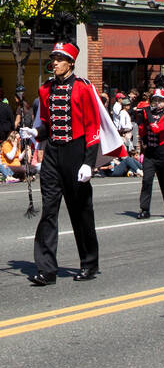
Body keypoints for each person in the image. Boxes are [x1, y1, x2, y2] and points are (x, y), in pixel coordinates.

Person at [30, 42, 103, 286]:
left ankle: (89, 263)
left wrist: (88, 163)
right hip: (52, 154)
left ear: (71, 62)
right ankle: (47, 269)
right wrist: (36, 133)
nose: (55, 63)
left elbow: (93, 126)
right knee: (49, 212)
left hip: (76, 152)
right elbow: (48, 125)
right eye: (54, 58)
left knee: (80, 211)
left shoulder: (83, 88)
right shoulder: (45, 89)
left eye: (60, 59)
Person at [135, 88, 164, 219]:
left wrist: (148, 115)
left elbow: (156, 129)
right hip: (150, 153)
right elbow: (143, 132)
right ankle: (144, 209)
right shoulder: (149, 113)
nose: (157, 103)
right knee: (146, 181)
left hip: (163, 152)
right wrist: (140, 119)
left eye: (160, 101)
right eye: (155, 100)